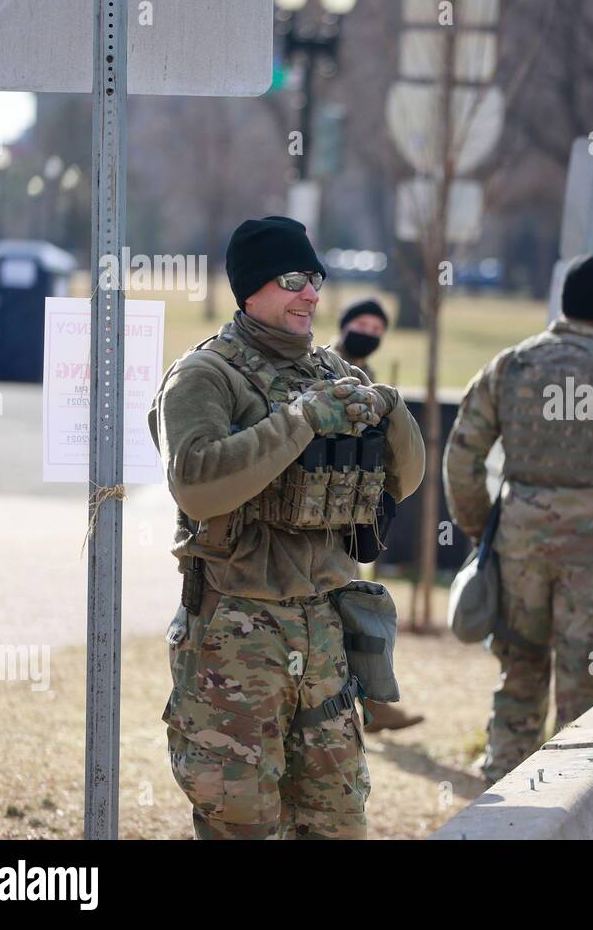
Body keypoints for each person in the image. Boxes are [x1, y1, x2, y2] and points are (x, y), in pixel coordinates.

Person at [148, 215, 426, 839]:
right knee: (243, 822)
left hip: (325, 631)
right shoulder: (204, 377)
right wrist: (299, 421)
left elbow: (403, 481)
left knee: (337, 821)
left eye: (316, 279)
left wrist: (389, 408)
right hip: (236, 635)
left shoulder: (332, 372)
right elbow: (197, 482)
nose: (311, 294)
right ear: (251, 290)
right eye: (293, 279)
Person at [443, 254, 593, 785]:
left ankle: (499, 805)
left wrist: (483, 530)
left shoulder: (511, 365)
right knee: (585, 691)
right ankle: (573, 806)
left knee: (520, 678)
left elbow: (461, 457)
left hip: (519, 548)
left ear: (564, 305)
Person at [328, 297, 423, 734]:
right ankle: (366, 709)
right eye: (361, 322)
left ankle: (372, 706)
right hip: (329, 512)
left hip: (361, 510)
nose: (368, 330)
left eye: (376, 325)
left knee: (359, 609)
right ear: (345, 325)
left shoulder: (372, 378)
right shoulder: (326, 369)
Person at [331, 297, 389, 381]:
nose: (368, 332)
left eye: (376, 329)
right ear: (345, 326)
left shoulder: (368, 375)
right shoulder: (324, 364)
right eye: (361, 324)